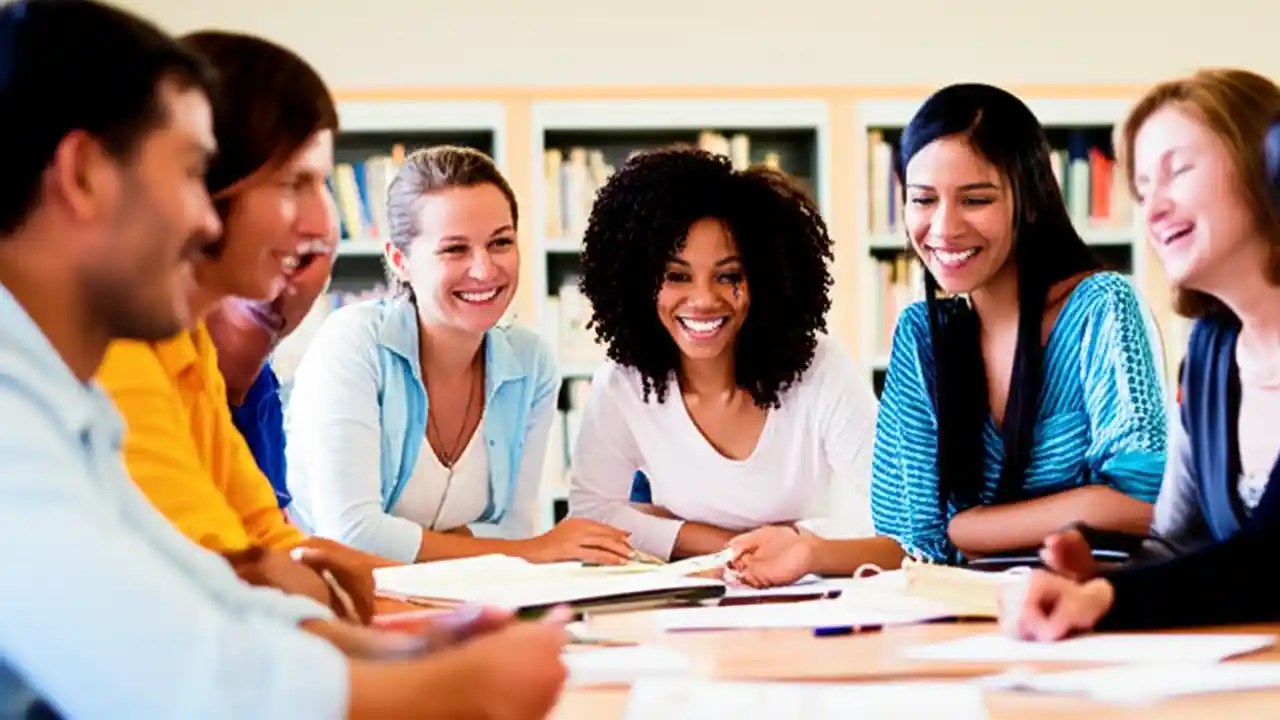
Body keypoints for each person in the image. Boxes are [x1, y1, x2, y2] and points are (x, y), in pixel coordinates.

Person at [0, 3, 568, 718]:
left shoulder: (60, 389)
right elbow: (176, 669)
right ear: (83, 176)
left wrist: (402, 649)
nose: (204, 219)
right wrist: (454, 687)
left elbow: (212, 584)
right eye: (189, 175)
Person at [727, 83, 1169, 587]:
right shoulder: (922, 336)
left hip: (1099, 612)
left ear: (1030, 200)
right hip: (970, 616)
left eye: (975, 199)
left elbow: (1145, 501)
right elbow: (916, 542)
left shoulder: (1101, 307)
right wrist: (810, 552)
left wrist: (968, 527)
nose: (944, 227)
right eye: (923, 200)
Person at [91, 30, 393, 621]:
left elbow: (267, 543)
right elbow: (222, 585)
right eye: (292, 183)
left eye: (323, 185)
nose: (320, 222)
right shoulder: (120, 346)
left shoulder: (191, 343)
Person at [1004, 68, 1280, 639]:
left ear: (1271, 168)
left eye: (1177, 171)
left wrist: (1108, 598)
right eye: (1143, 187)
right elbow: (1181, 544)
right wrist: (1099, 566)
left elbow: (1271, 557)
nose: (1152, 209)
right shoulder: (1210, 353)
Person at [285, 145, 633, 565]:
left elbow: (512, 525)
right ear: (401, 261)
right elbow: (352, 534)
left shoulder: (529, 362)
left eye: (500, 242)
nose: (485, 270)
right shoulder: (354, 343)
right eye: (455, 250)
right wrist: (527, 551)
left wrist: (409, 540)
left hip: (461, 601)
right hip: (340, 605)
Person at [567, 146, 879, 562]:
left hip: (813, 597)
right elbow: (590, 516)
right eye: (677, 276)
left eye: (728, 276)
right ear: (639, 282)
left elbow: (891, 515)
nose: (703, 299)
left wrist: (801, 549)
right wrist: (733, 547)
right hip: (691, 603)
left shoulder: (821, 369)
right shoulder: (625, 382)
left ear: (767, 278)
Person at [205, 206, 338, 511]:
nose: (273, 287)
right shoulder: (157, 375)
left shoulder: (263, 390)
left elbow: (272, 532)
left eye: (301, 262)